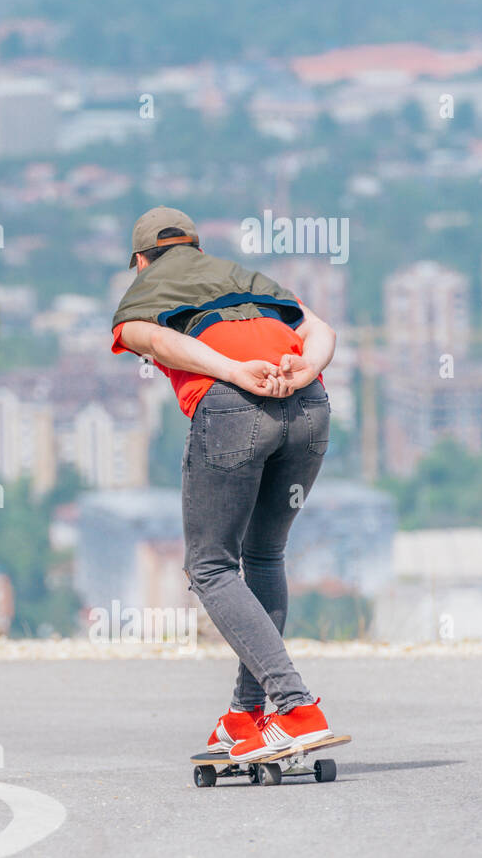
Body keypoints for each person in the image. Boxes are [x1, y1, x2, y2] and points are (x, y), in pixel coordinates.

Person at [110, 206, 338, 761]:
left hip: (236, 410)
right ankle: (246, 715)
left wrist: (232, 371)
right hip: (309, 408)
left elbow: (154, 341)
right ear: (197, 247)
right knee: (264, 556)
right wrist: (304, 372)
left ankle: (294, 705)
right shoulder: (246, 279)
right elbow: (322, 330)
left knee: (211, 566)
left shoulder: (147, 290)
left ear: (141, 260)